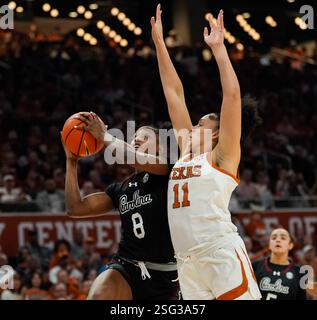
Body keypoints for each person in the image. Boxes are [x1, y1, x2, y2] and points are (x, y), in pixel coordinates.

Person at [151, 5, 262, 299]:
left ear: (214, 132)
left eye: (199, 122)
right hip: (186, 262)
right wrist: (160, 45)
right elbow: (173, 93)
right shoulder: (187, 149)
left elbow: (232, 97)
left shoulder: (223, 155)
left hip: (219, 252)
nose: (192, 125)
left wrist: (219, 50)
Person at [63, 113, 178, 300]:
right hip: (126, 266)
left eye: (145, 137)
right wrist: (71, 162)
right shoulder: (121, 189)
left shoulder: (168, 169)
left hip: (166, 275)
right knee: (100, 295)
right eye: (135, 137)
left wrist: (104, 135)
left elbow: (129, 156)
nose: (137, 140)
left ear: (160, 148)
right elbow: (75, 208)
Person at [252, 228, 307, 300]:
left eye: (283, 238)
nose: (278, 240)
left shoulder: (299, 272)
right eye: (274, 238)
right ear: (269, 245)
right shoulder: (255, 266)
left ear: (290, 245)